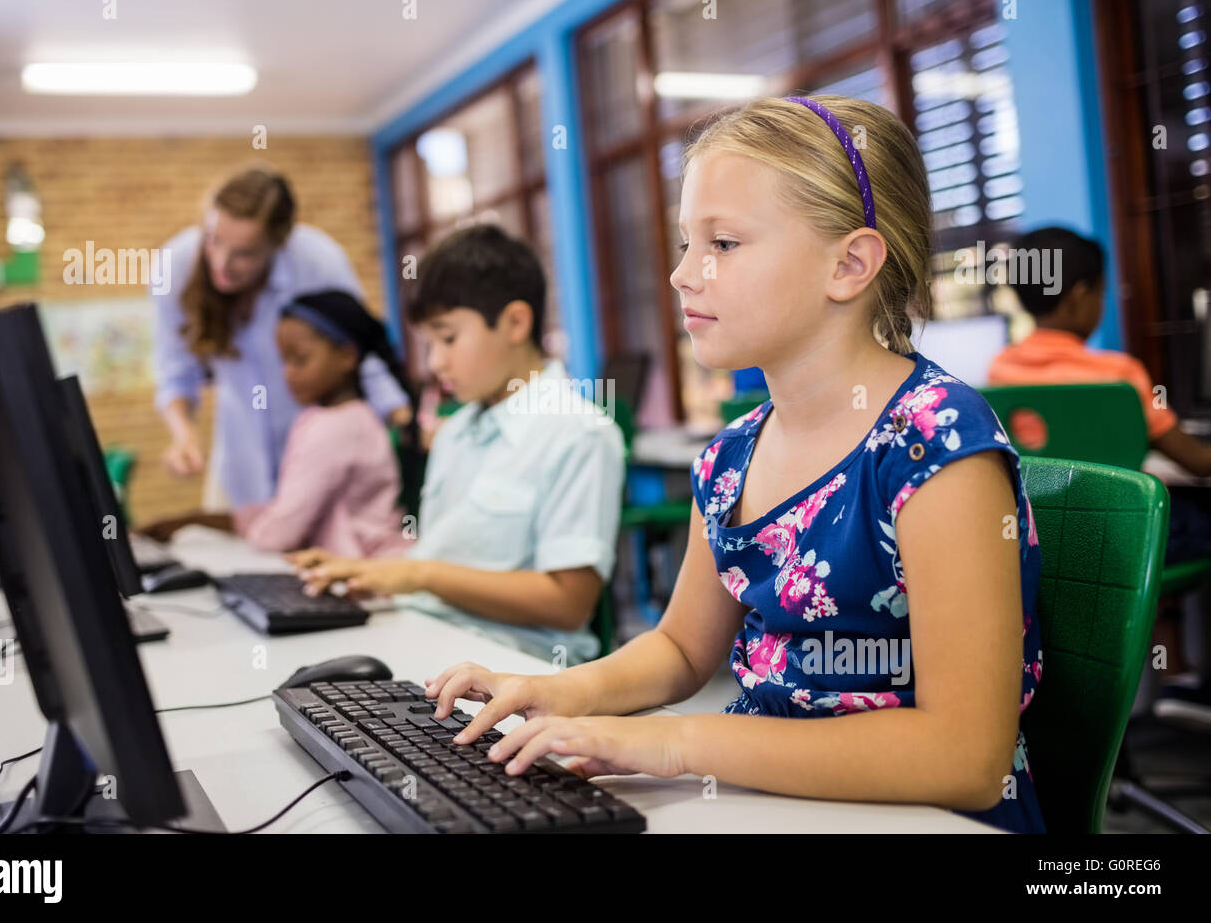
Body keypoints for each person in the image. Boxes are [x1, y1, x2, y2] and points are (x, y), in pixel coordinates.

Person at [423, 96, 1047, 832]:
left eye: (723, 243)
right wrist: (550, 692)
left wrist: (674, 740)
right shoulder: (731, 456)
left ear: (848, 264)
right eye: (687, 243)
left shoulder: (936, 442)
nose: (684, 275)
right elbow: (683, 649)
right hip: (765, 801)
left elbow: (965, 758)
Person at [286, 225, 625, 664]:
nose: (435, 362)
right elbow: (444, 558)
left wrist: (420, 574)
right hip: (429, 637)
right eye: (428, 342)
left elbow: (567, 604)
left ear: (515, 323)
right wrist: (371, 570)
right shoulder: (456, 432)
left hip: (516, 666)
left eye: (448, 338)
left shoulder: (579, 434)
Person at [988, 225, 1211, 723]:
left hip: (1047, 541)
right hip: (1127, 542)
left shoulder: (1001, 371)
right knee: (1185, 512)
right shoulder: (1119, 376)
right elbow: (1196, 461)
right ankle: (1184, 678)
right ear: (1082, 294)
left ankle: (1171, 674)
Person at [151, 164, 411, 512]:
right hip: (239, 466)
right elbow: (177, 372)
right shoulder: (176, 267)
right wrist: (183, 435)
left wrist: (407, 419)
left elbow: (361, 352)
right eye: (214, 240)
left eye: (244, 253)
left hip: (321, 463)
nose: (222, 264)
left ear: (279, 243)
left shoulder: (317, 262)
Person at [139, 290, 412, 559]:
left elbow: (280, 533)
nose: (288, 374)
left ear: (347, 356)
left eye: (301, 359)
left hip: (367, 576)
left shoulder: (338, 428)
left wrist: (205, 523)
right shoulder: (341, 417)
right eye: (283, 361)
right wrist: (196, 520)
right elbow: (283, 514)